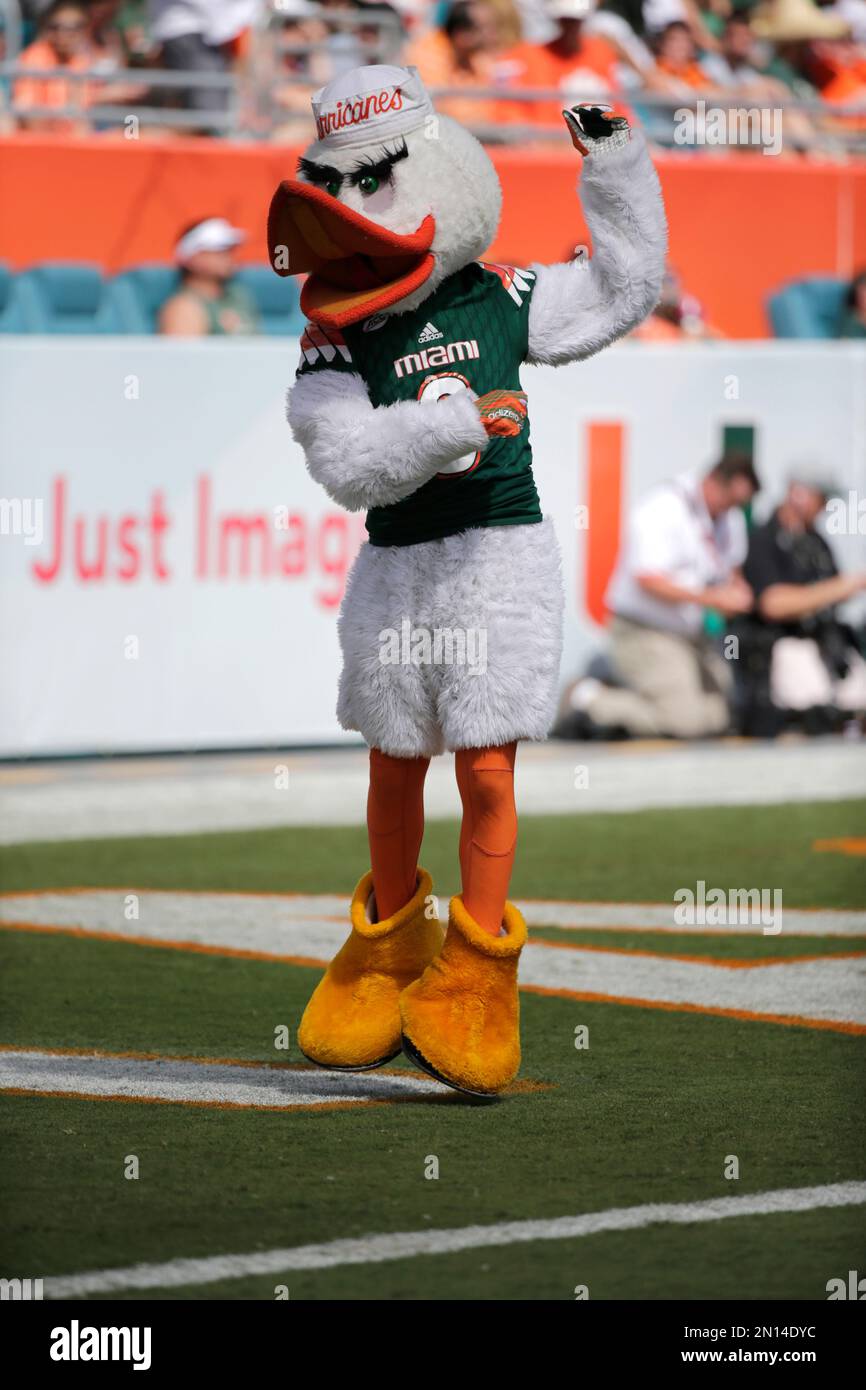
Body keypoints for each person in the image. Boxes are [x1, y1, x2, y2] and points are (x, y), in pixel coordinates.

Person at [270, 69, 666, 1094]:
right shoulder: (336, 335)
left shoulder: (502, 296)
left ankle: (476, 974)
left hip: (495, 553)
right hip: (397, 565)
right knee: (392, 766)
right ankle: (383, 952)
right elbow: (345, 461)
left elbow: (625, 288)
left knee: (486, 771)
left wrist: (613, 160)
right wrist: (451, 423)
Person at [570, 452, 759, 738]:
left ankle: (627, 688)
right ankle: (588, 699)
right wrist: (712, 599)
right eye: (730, 499)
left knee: (725, 712)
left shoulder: (728, 517)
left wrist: (739, 592)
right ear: (712, 481)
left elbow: (731, 569)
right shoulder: (664, 507)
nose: (733, 508)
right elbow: (648, 578)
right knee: (682, 722)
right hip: (641, 630)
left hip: (688, 636)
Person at [739, 474, 866, 731]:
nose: (823, 509)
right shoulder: (763, 540)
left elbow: (834, 594)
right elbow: (773, 604)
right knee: (815, 709)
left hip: (828, 645)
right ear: (798, 494)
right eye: (821, 500)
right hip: (783, 647)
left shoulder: (817, 543)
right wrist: (842, 586)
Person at [495, 0, 622, 128]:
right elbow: (507, 113)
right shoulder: (523, 58)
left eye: (575, 20)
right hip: (544, 142)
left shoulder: (603, 53)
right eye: (566, 19)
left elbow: (620, 110)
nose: (571, 25)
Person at [158, 217, 260, 336]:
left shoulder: (240, 296)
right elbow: (183, 354)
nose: (229, 256)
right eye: (220, 249)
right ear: (192, 258)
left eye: (231, 249)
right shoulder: (184, 308)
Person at [13, 1, 97, 131]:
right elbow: (29, 115)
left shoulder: (81, 60)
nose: (63, 34)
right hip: (44, 142)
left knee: (133, 130)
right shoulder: (35, 57)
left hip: (74, 138)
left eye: (73, 28)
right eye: (55, 27)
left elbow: (83, 111)